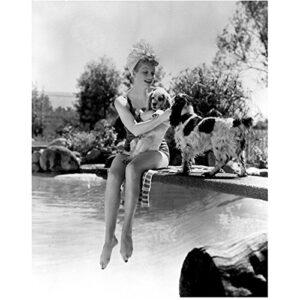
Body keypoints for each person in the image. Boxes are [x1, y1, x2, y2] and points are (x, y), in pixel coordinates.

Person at [100, 41, 171, 269]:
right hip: (134, 146)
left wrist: (165, 115)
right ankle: (108, 239)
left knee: (132, 168)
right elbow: (136, 130)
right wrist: (164, 115)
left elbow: (162, 130)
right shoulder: (123, 101)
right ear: (134, 72)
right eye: (145, 72)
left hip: (158, 150)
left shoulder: (160, 96)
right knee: (114, 172)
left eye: (152, 72)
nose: (150, 76)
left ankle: (127, 231)